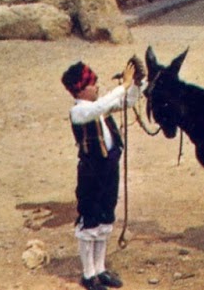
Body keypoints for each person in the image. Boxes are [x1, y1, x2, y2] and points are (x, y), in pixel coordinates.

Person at [62, 59, 141, 289]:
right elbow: (100, 107)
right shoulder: (79, 111)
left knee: (106, 215)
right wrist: (123, 86)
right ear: (80, 89)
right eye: (92, 84)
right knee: (90, 219)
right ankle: (88, 274)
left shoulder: (99, 106)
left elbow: (128, 101)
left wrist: (136, 83)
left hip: (109, 167)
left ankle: (100, 268)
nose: (97, 87)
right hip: (91, 171)